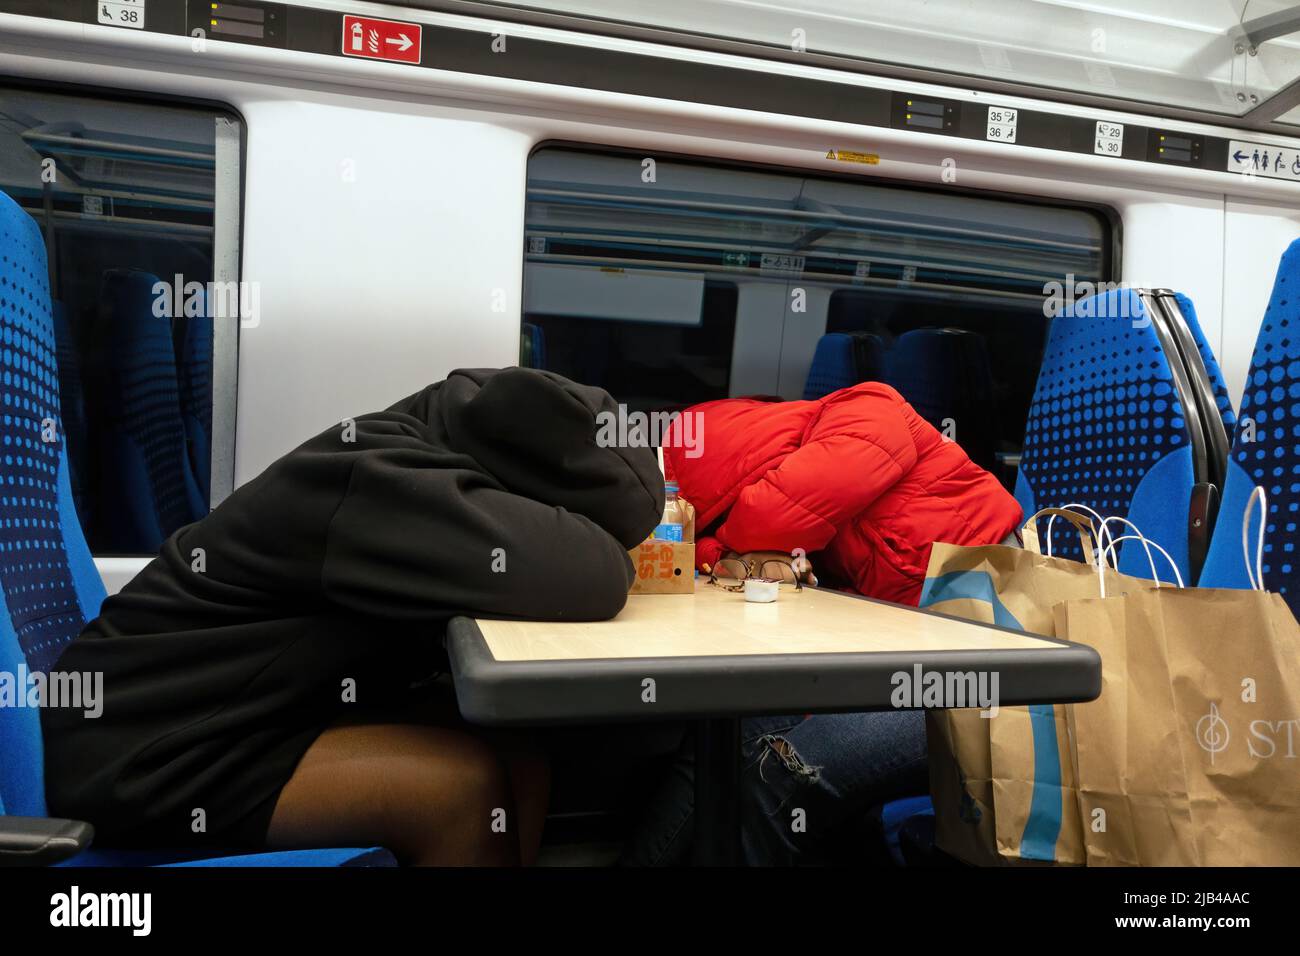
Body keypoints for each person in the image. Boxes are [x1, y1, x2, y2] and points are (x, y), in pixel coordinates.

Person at [43, 368, 663, 866]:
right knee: (460, 794)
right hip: (144, 748)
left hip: (237, 711)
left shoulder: (423, 446)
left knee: (515, 745)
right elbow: (593, 576)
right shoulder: (377, 481)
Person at [624, 382, 1022, 865]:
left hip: (990, 659)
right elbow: (705, 554)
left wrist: (733, 549)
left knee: (773, 781)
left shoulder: (873, 410)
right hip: (901, 643)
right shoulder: (790, 464)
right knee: (731, 724)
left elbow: (774, 512)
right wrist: (728, 552)